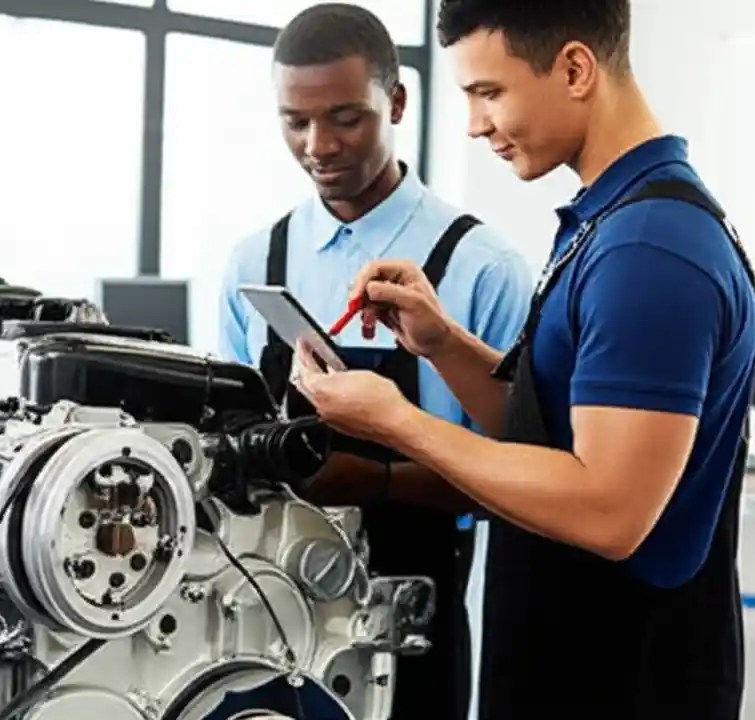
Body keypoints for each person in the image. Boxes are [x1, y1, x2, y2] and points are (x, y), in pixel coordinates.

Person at [291, 1, 755, 718]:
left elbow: (608, 508)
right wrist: (442, 344)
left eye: (489, 93)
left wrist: (396, 423)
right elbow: (549, 425)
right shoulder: (609, 220)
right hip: (563, 664)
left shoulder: (651, 248)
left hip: (624, 682)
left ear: (574, 68)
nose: (476, 124)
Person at [217, 4, 533, 719]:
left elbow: (521, 478)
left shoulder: (481, 267)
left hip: (413, 604)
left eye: (345, 118)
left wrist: (378, 482)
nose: (317, 144)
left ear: (395, 102)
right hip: (265, 606)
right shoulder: (253, 262)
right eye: (294, 122)